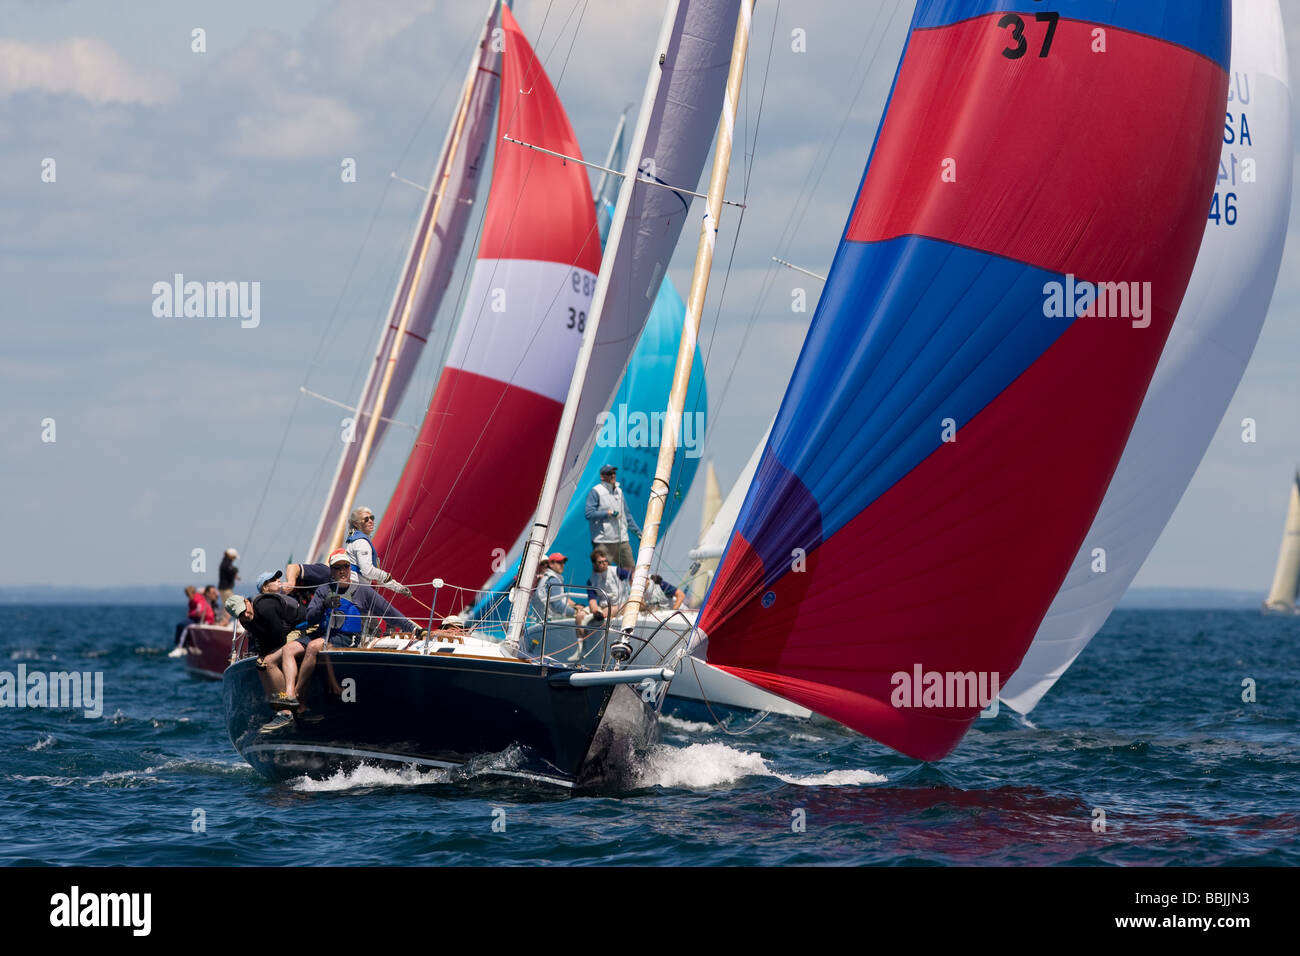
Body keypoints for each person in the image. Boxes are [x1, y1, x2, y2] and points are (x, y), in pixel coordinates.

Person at [225, 587, 309, 731]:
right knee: (262, 664)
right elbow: (262, 640)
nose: (246, 614)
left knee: (269, 662)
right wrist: (262, 656)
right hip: (286, 632)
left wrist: (267, 656)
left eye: (244, 609)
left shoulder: (265, 607)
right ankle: (281, 708)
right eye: (240, 615)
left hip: (306, 626)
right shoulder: (246, 620)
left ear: (247, 601)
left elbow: (279, 638)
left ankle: (287, 710)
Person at [305, 549, 423, 649]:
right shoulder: (323, 590)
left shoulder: (363, 591)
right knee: (288, 649)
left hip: (347, 639)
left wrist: (414, 629)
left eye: (345, 566)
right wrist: (324, 605)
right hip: (323, 634)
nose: (342, 571)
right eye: (337, 567)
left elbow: (388, 611)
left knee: (312, 647)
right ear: (331, 571)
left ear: (350, 569)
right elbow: (310, 618)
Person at [344, 507, 412, 595]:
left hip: (356, 590)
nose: (370, 521)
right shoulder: (361, 542)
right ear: (356, 524)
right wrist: (385, 576)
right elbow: (367, 571)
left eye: (372, 518)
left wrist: (398, 588)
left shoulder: (356, 541)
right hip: (355, 592)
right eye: (366, 519)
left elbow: (374, 574)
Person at [585, 465, 640, 571]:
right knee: (602, 572)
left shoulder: (619, 491)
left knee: (631, 571)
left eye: (614, 473)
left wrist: (638, 532)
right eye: (609, 473)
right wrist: (608, 513)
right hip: (603, 541)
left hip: (622, 539)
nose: (613, 475)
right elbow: (589, 514)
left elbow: (627, 515)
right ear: (602, 476)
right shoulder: (596, 491)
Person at [586, 547, 631, 622]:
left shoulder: (616, 571)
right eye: (600, 562)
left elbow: (632, 576)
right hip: (603, 607)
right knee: (580, 616)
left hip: (620, 605)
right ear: (594, 564)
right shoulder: (591, 580)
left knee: (609, 610)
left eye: (605, 561)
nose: (604, 563)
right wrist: (595, 612)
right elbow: (592, 600)